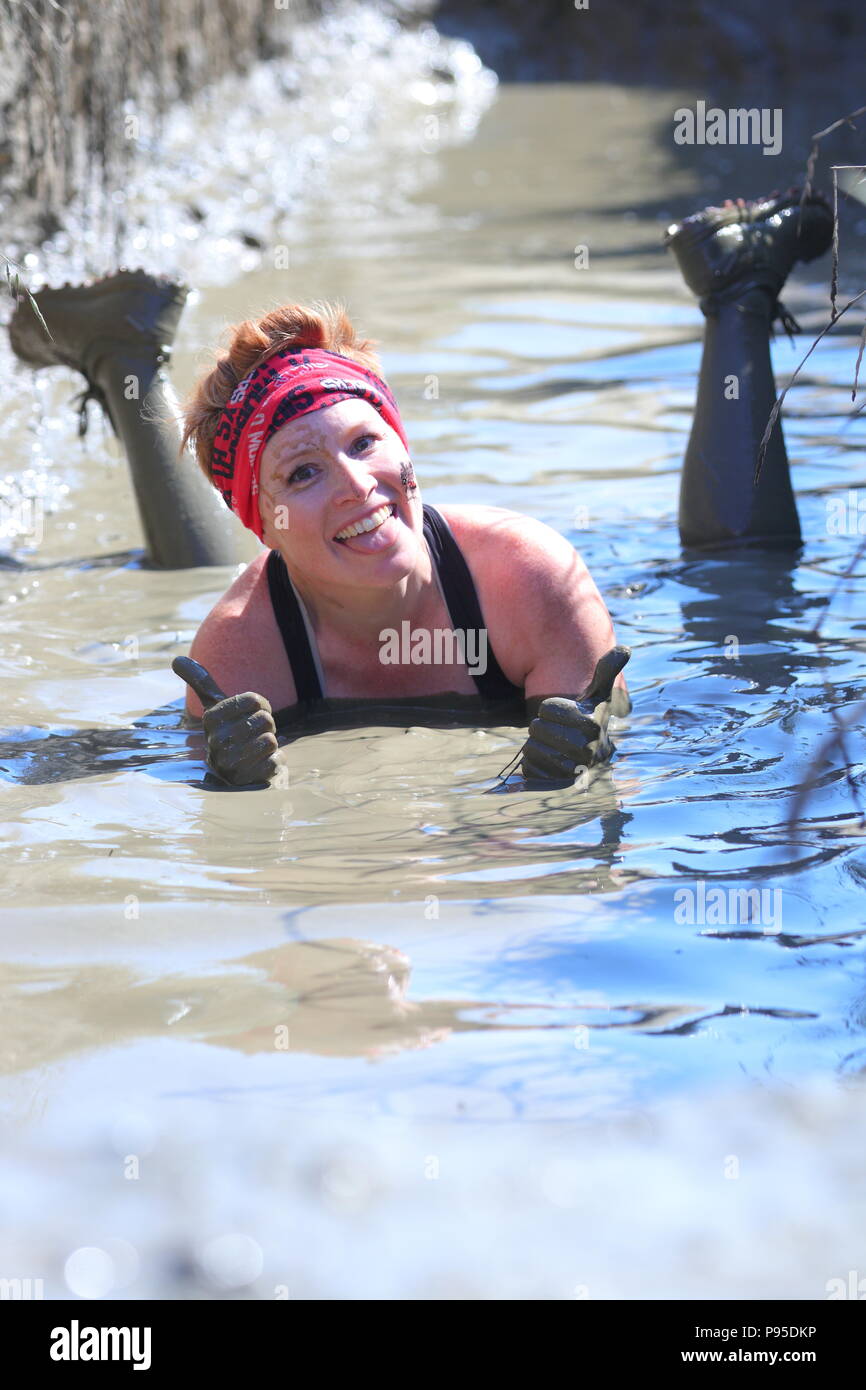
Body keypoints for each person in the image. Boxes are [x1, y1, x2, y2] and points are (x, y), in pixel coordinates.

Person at [7, 187, 833, 790]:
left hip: (624, 584)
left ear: (408, 451)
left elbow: (628, 804)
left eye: (368, 443)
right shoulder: (241, 656)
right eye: (304, 470)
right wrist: (222, 779)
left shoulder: (531, 579)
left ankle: (738, 293)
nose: (361, 484)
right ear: (264, 523)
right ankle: (127, 362)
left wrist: (576, 771)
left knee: (743, 587)